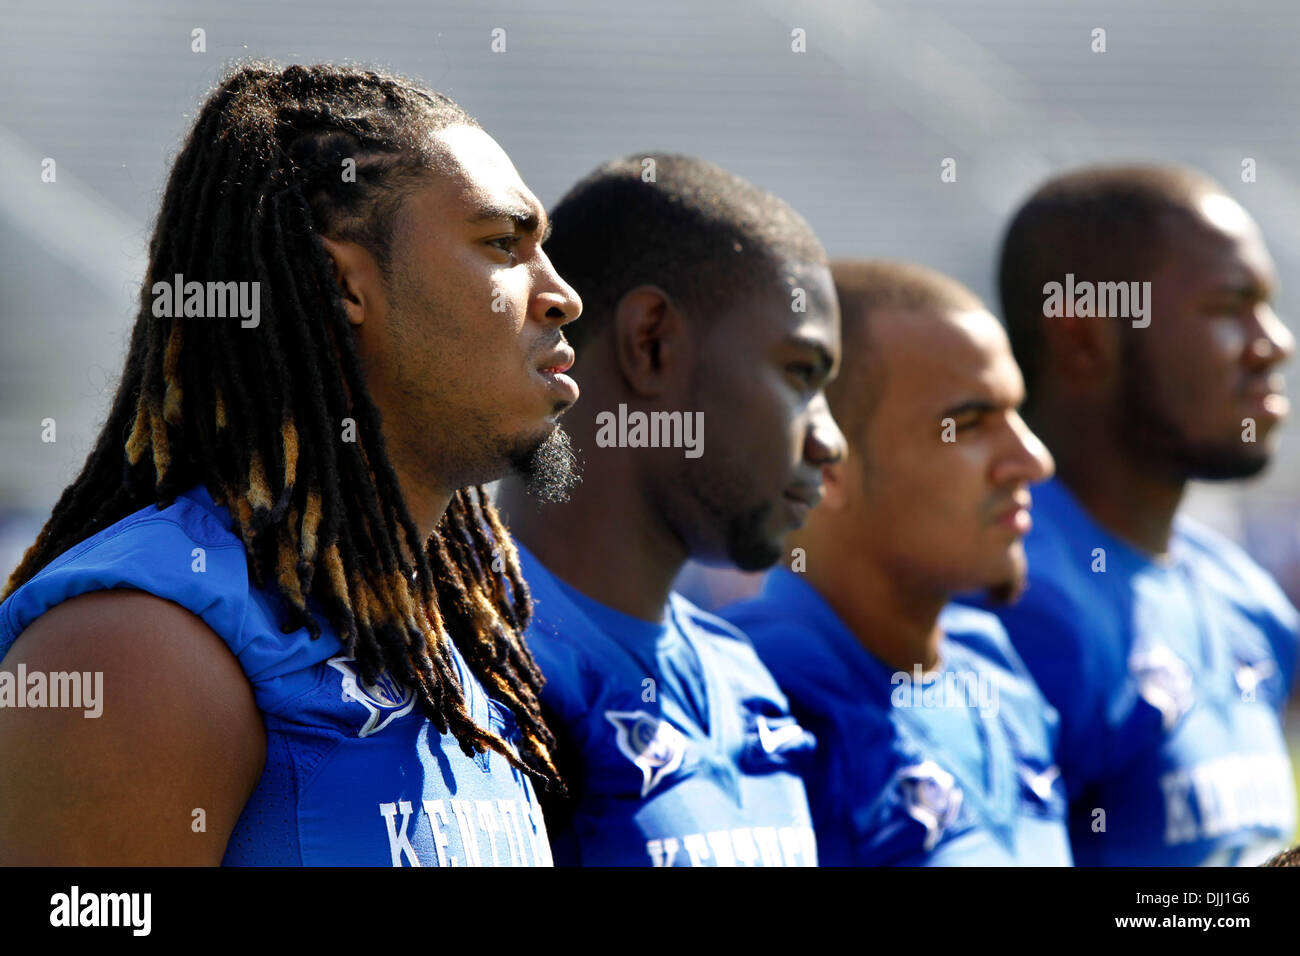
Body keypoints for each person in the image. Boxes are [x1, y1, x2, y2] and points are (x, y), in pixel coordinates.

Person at [0, 61, 584, 866]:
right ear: (343, 282)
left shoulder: (452, 648)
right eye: (500, 244)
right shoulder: (137, 647)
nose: (559, 295)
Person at [495, 153, 844, 866]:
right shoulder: (474, 671)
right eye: (801, 375)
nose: (831, 441)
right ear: (651, 342)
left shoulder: (741, 674)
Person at [968, 164, 1299, 865]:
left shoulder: (1240, 592)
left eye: (1266, 307)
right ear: (1086, 338)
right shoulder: (1004, 602)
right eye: (1227, 308)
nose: (1274, 343)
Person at [725, 260, 1069, 865]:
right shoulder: (753, 699)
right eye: (969, 423)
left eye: (1017, 414)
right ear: (825, 463)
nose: (1033, 460)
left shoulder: (993, 663)